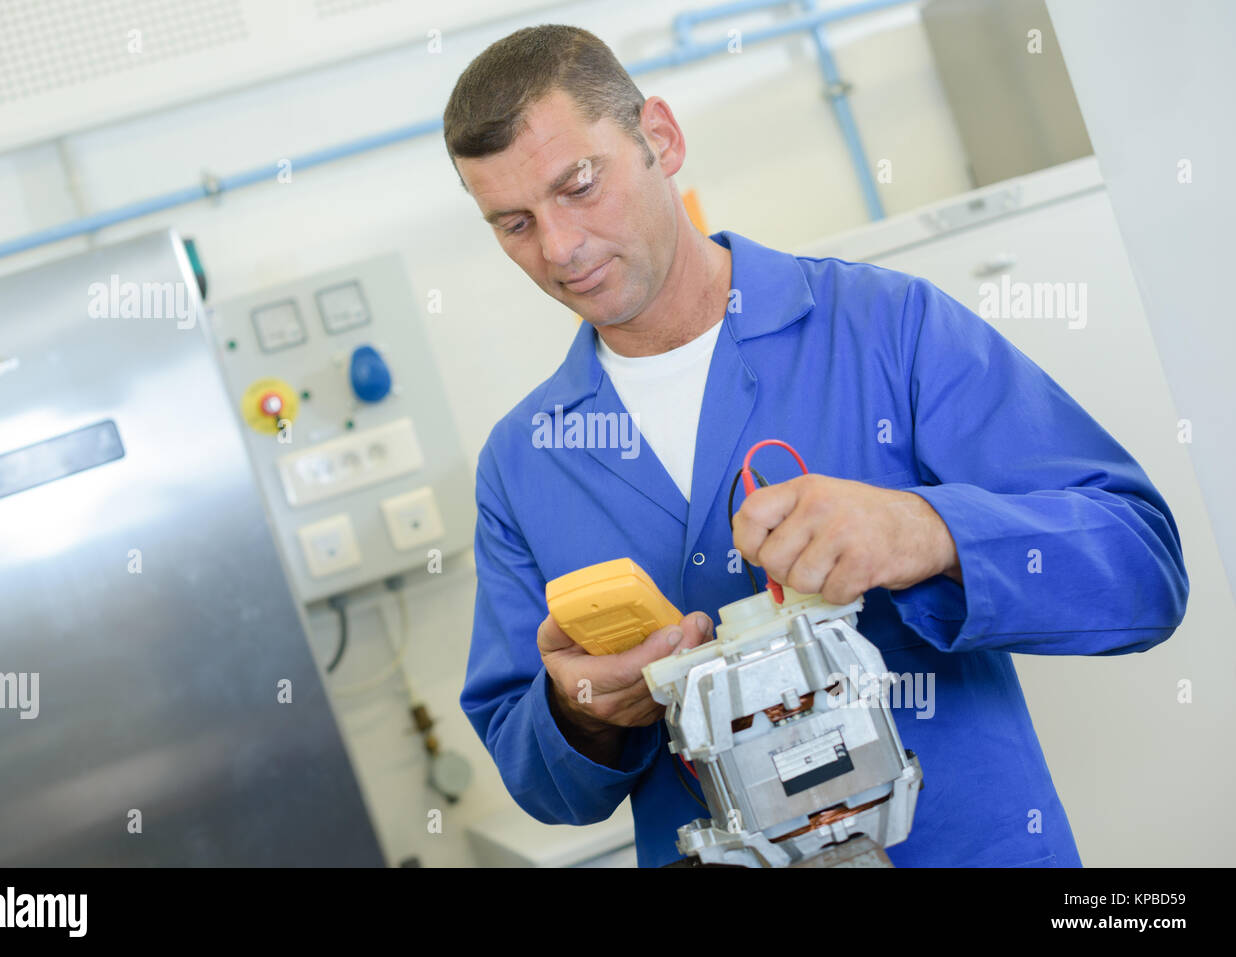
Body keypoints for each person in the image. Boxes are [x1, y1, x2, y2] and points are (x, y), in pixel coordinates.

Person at [444, 24, 1188, 867]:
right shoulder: (523, 461)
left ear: (661, 136)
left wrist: (928, 533)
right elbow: (538, 779)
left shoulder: (886, 326)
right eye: (514, 223)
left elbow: (1143, 571)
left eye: (579, 185)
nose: (560, 247)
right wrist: (577, 710)